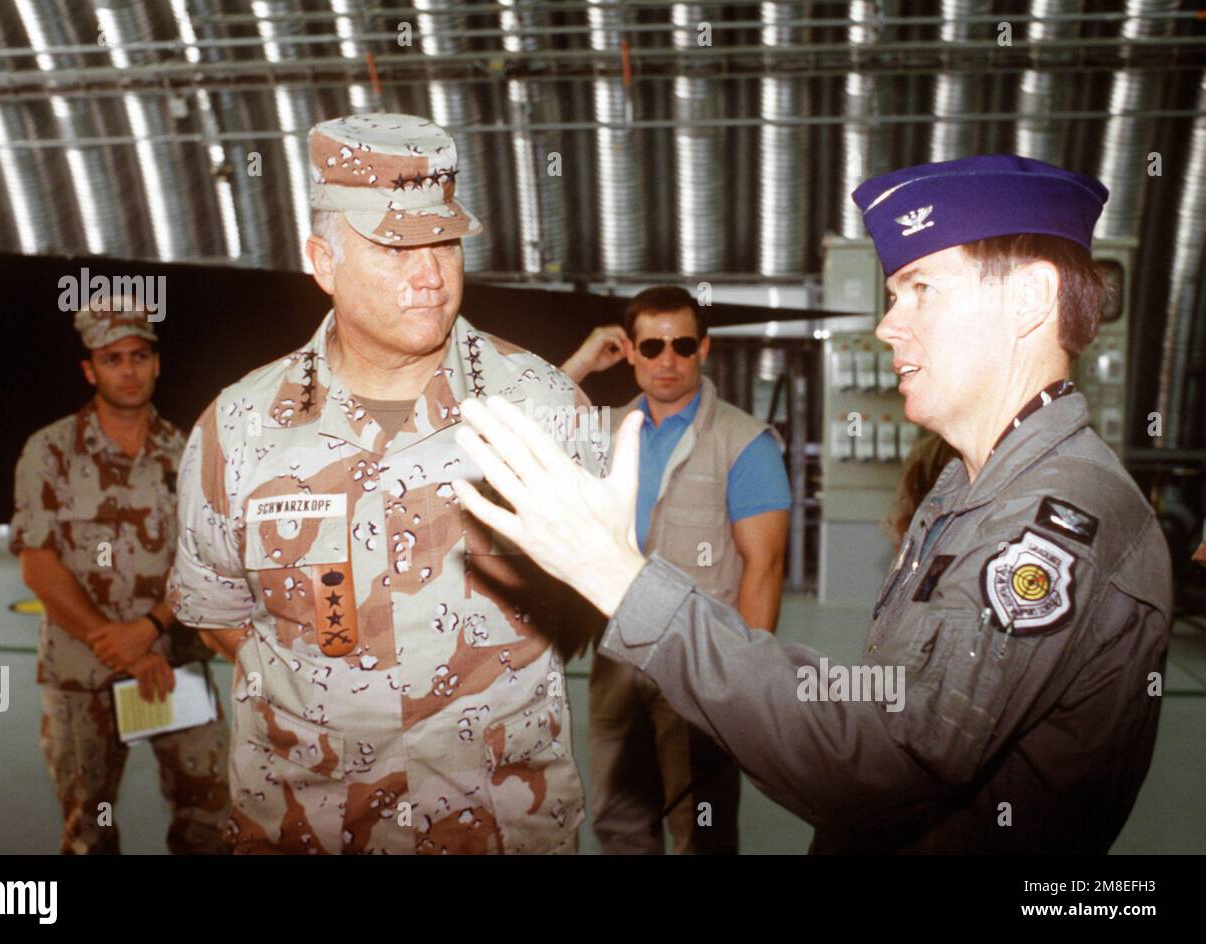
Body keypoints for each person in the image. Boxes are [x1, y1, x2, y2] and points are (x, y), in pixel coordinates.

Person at [451, 154, 1173, 853]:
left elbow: (898, 750)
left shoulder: (1056, 519)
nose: (889, 324)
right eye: (895, 294)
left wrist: (623, 582)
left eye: (921, 288)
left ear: (1031, 300)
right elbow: (886, 696)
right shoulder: (971, 485)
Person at [166, 113, 605, 855]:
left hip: (498, 827)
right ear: (322, 261)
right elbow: (221, 617)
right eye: (395, 246)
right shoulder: (237, 429)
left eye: (444, 241)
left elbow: (589, 605)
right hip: (308, 827)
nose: (430, 274)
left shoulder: (546, 408)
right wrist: (340, 707)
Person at [560, 287, 791, 854]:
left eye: (683, 345)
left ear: (704, 349)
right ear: (630, 352)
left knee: (701, 828)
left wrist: (743, 680)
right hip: (618, 655)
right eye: (653, 345)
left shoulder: (744, 443)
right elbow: (523, 429)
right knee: (618, 818)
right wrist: (582, 363)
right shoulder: (608, 430)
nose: (668, 359)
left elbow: (765, 567)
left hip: (701, 660)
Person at [10, 298, 230, 855]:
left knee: (211, 815)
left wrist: (150, 628)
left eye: (139, 356)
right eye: (112, 359)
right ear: (90, 369)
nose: (128, 370)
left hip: (173, 659)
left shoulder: (186, 452)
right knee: (89, 828)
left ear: (156, 363)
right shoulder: (50, 452)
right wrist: (123, 647)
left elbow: (202, 555)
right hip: (84, 674)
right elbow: (38, 564)